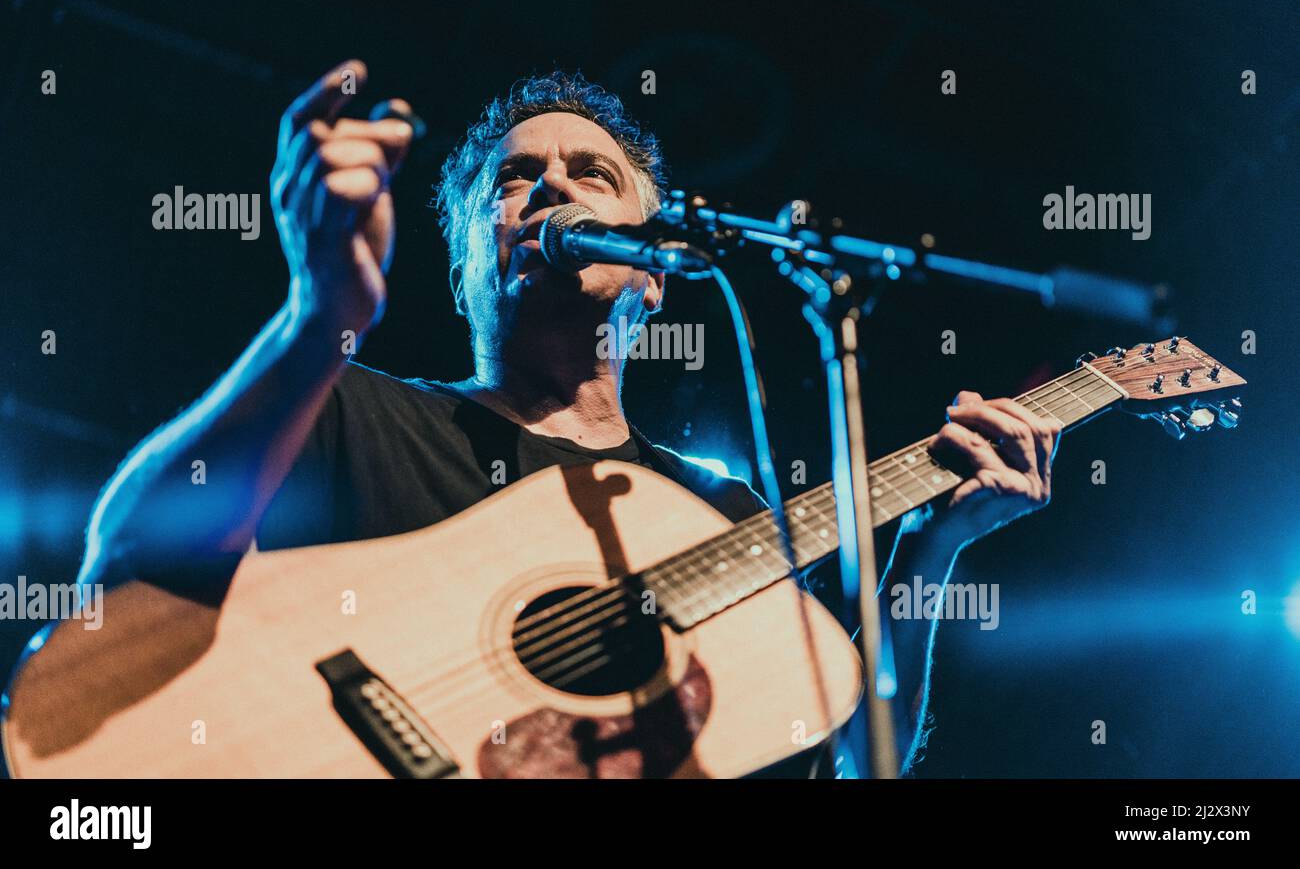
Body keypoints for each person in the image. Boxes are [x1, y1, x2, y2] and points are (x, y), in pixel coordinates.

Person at [79, 60, 1062, 775]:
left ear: (657, 269)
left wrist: (932, 552)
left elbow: (859, 764)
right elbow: (127, 571)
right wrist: (317, 317)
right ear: (467, 264)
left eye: (592, 176)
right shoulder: (348, 410)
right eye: (511, 179)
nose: (549, 183)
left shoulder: (719, 510)